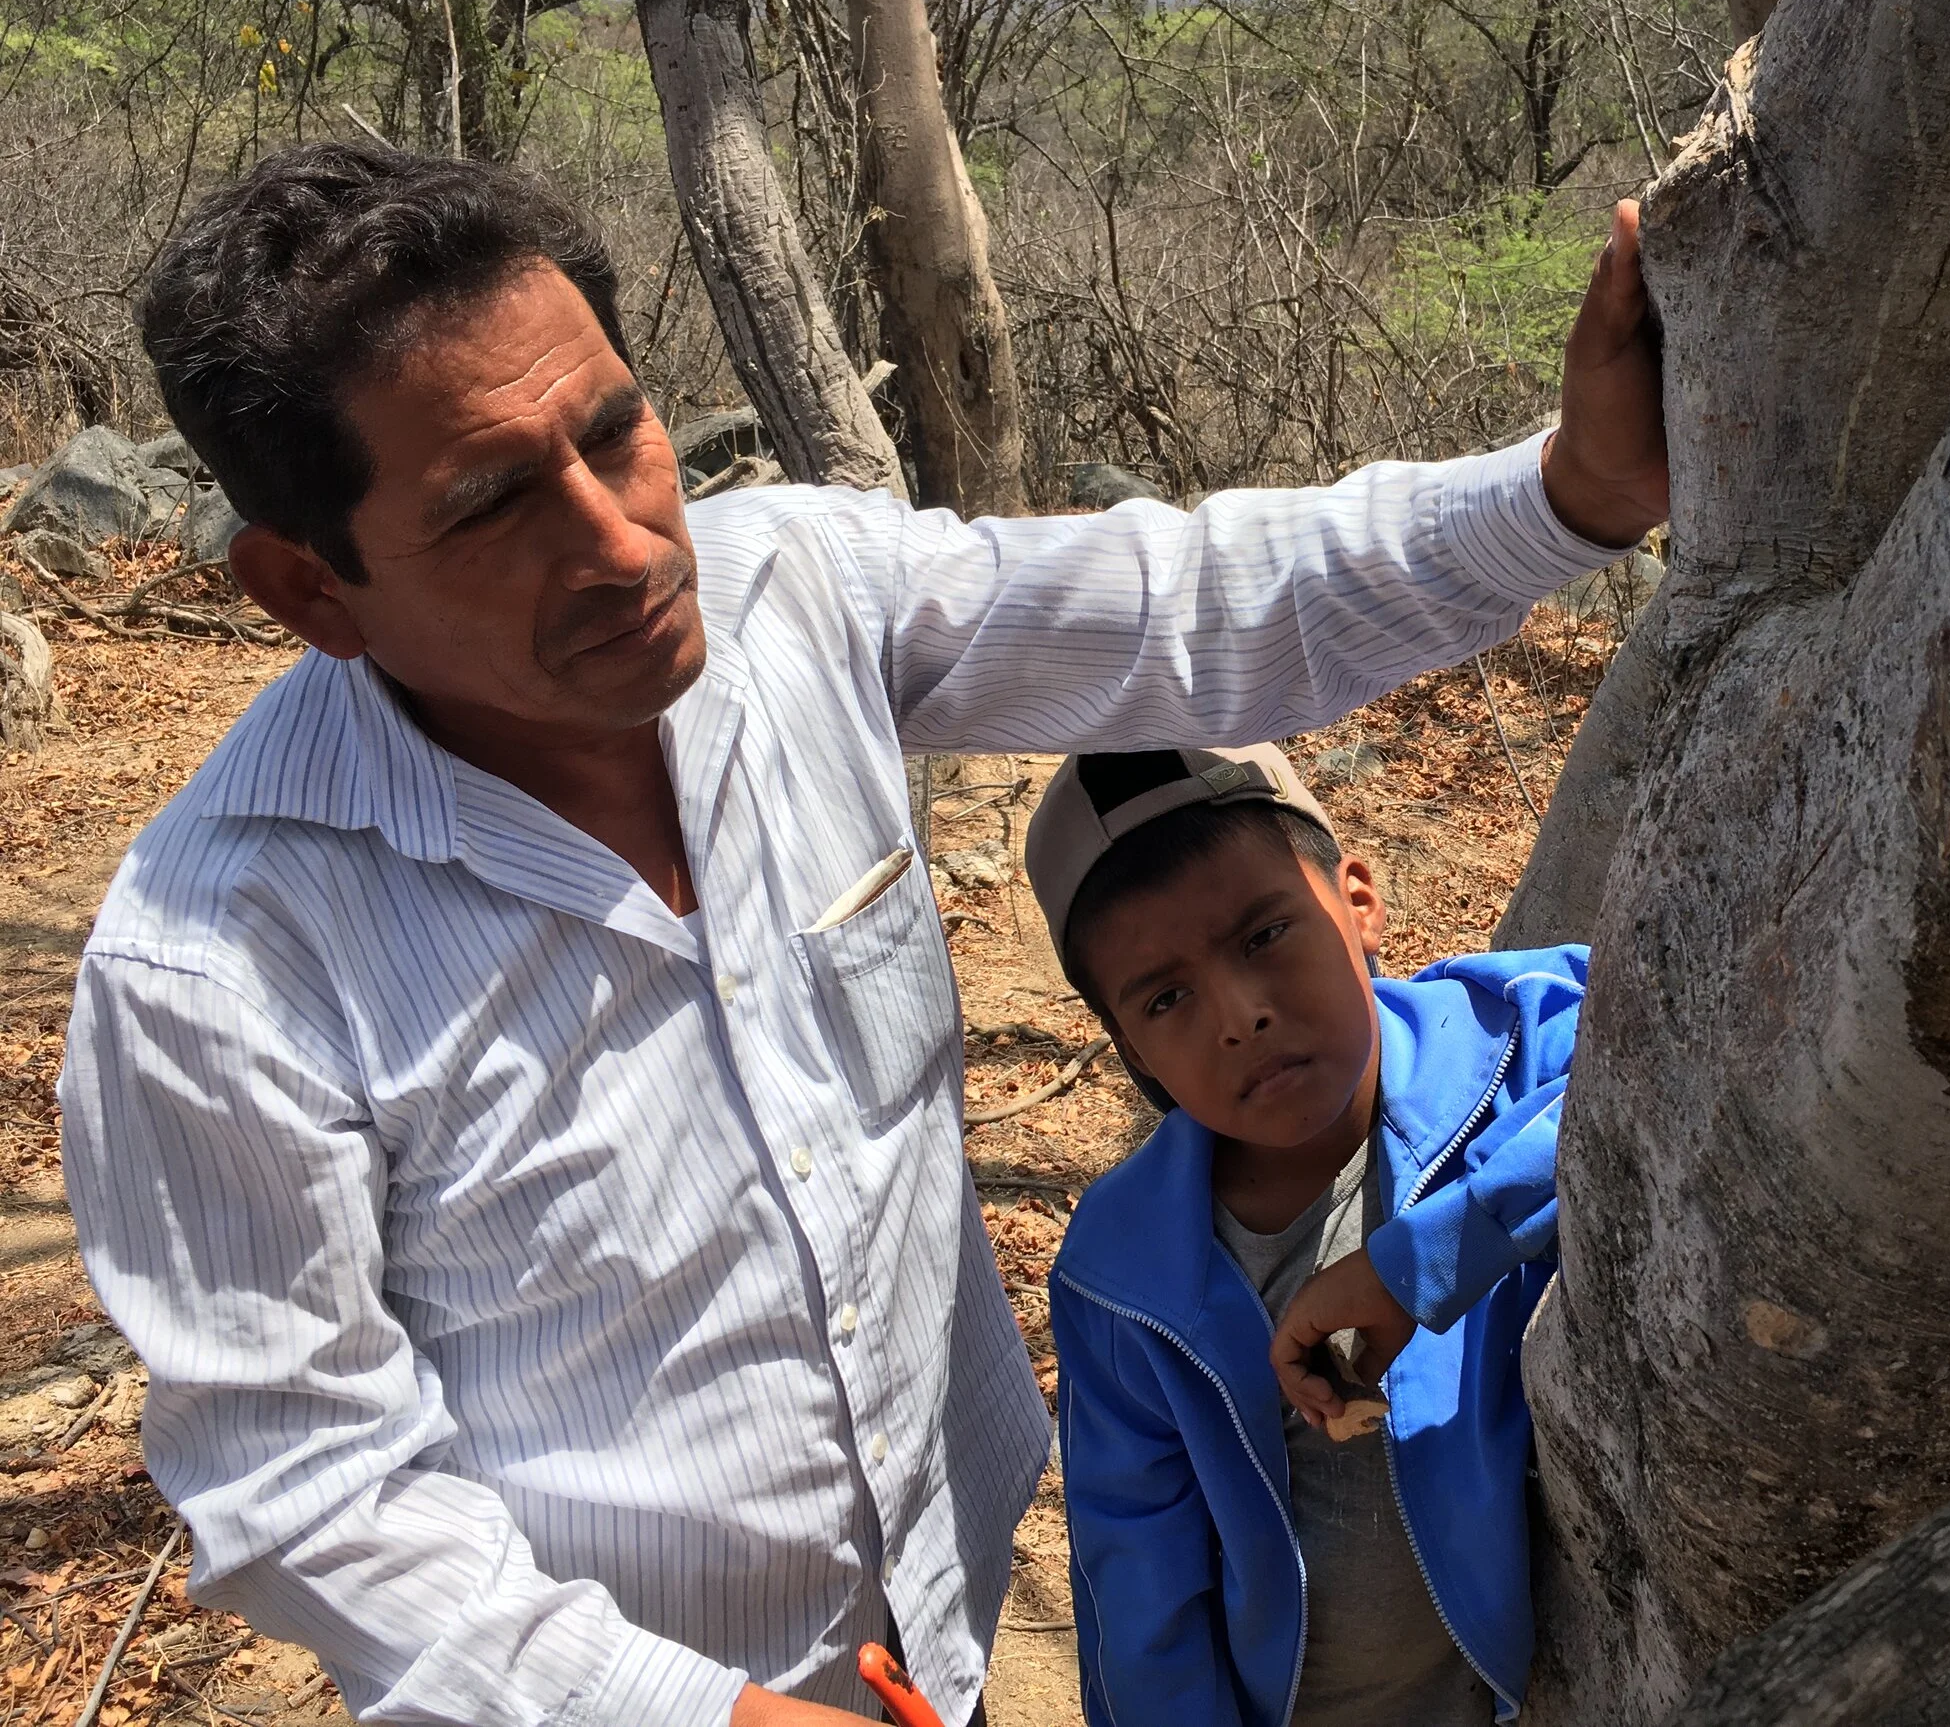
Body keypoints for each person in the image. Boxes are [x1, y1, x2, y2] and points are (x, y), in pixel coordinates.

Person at [55, 140, 1666, 1727]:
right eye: (489, 511)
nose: (619, 542)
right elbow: (308, 1490)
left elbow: (1196, 608)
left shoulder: (795, 599)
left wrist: (1573, 494)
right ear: (307, 589)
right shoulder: (216, 965)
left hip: (941, 1630)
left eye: (617, 432)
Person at [1033, 744, 1581, 1726]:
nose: (1240, 1015)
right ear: (1129, 1049)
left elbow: (1647, 1069)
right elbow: (1141, 1594)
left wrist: (1419, 1265)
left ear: (1358, 899)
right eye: (1165, 999)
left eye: (1264, 934)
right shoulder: (1120, 1276)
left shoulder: (1512, 1036)